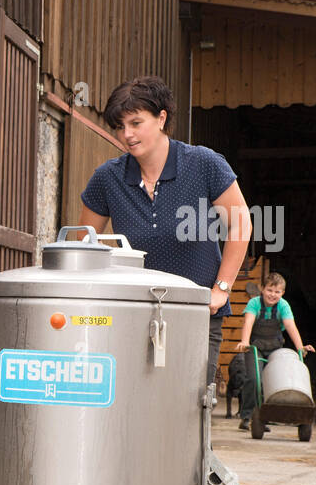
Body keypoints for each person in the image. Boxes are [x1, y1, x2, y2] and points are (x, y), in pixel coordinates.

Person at [77, 76, 252, 388]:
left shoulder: (204, 164)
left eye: (135, 123)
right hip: (132, 316)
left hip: (196, 313)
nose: (127, 135)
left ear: (161, 118)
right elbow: (84, 244)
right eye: (120, 126)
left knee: (190, 411)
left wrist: (222, 288)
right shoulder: (107, 178)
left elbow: (241, 224)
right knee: (133, 406)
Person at [233, 273, 314, 430]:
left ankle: (268, 414)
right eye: (270, 290)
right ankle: (247, 416)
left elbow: (290, 325)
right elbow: (248, 322)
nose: (273, 295)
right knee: (254, 380)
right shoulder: (254, 303)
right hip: (255, 347)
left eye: (277, 292)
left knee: (273, 380)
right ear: (262, 289)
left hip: (275, 348)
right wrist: (244, 342)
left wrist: (300, 347)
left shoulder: (283, 305)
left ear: (282, 293)